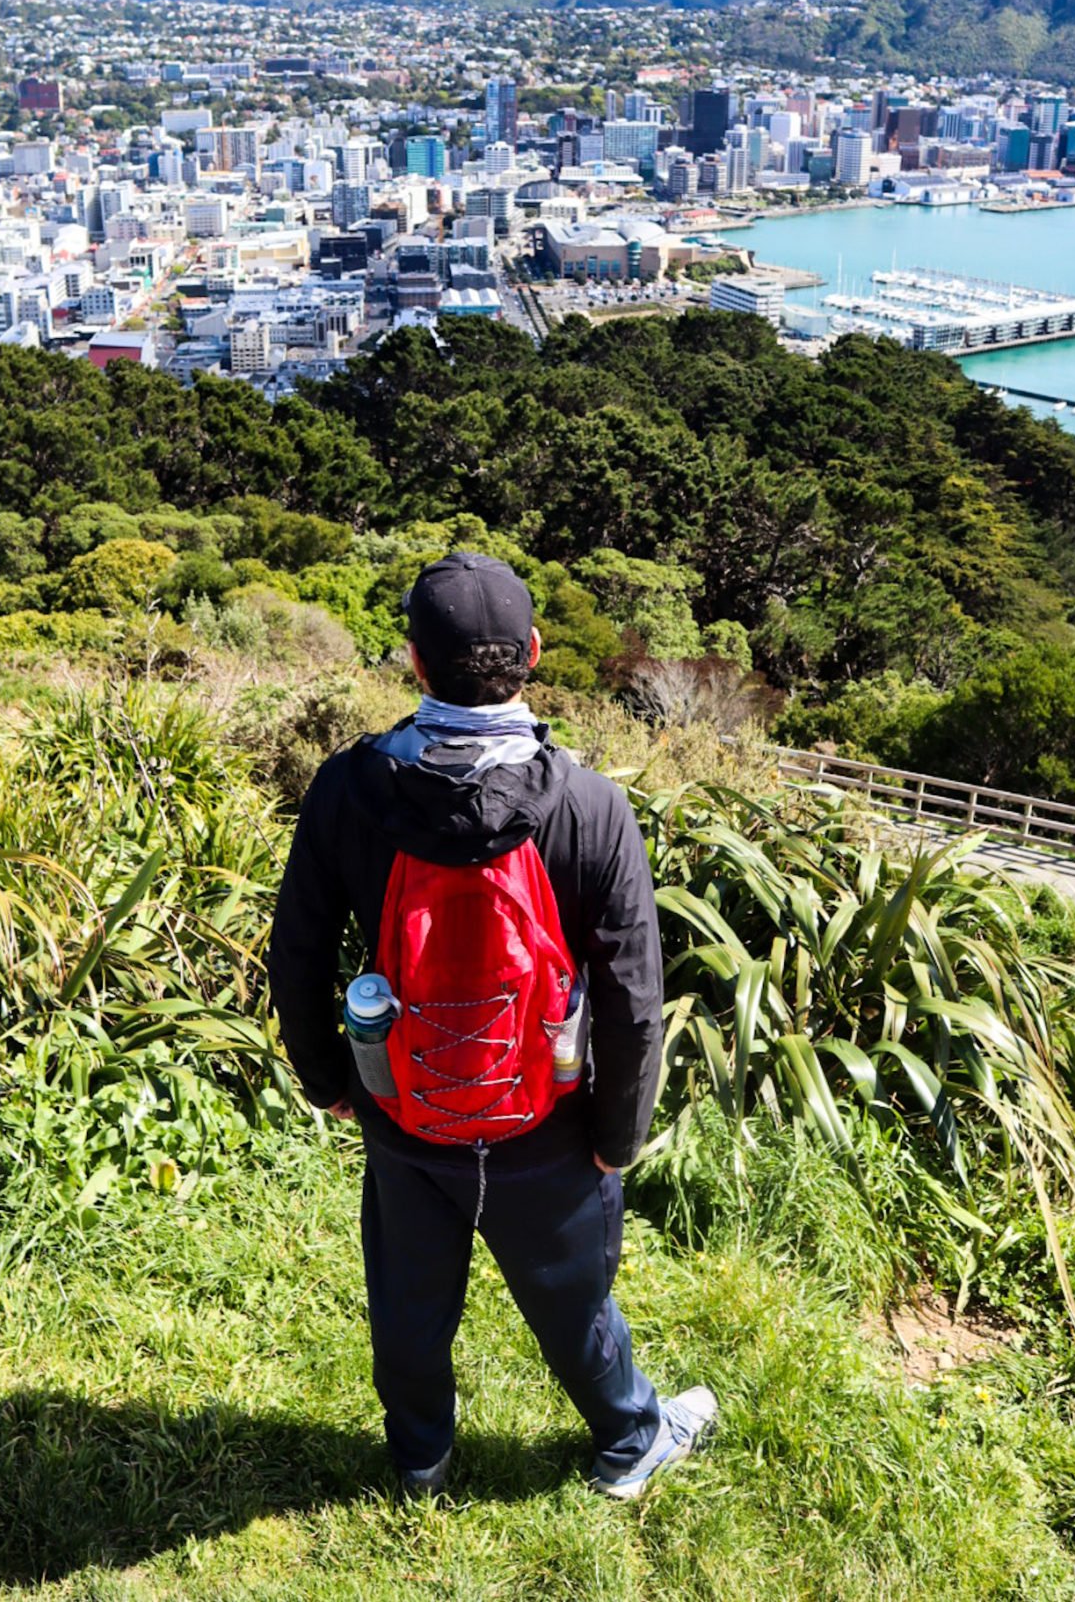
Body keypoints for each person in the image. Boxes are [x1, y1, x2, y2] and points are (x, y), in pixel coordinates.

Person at [268, 552, 716, 1499]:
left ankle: (422, 1458)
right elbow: (633, 993)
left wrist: (333, 1085)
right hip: (545, 1118)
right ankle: (631, 1440)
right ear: (534, 655)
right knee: (573, 1299)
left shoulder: (350, 789)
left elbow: (299, 954)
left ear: (415, 665)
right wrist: (617, 1137)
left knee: (410, 1303)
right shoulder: (592, 806)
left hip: (406, 1110)